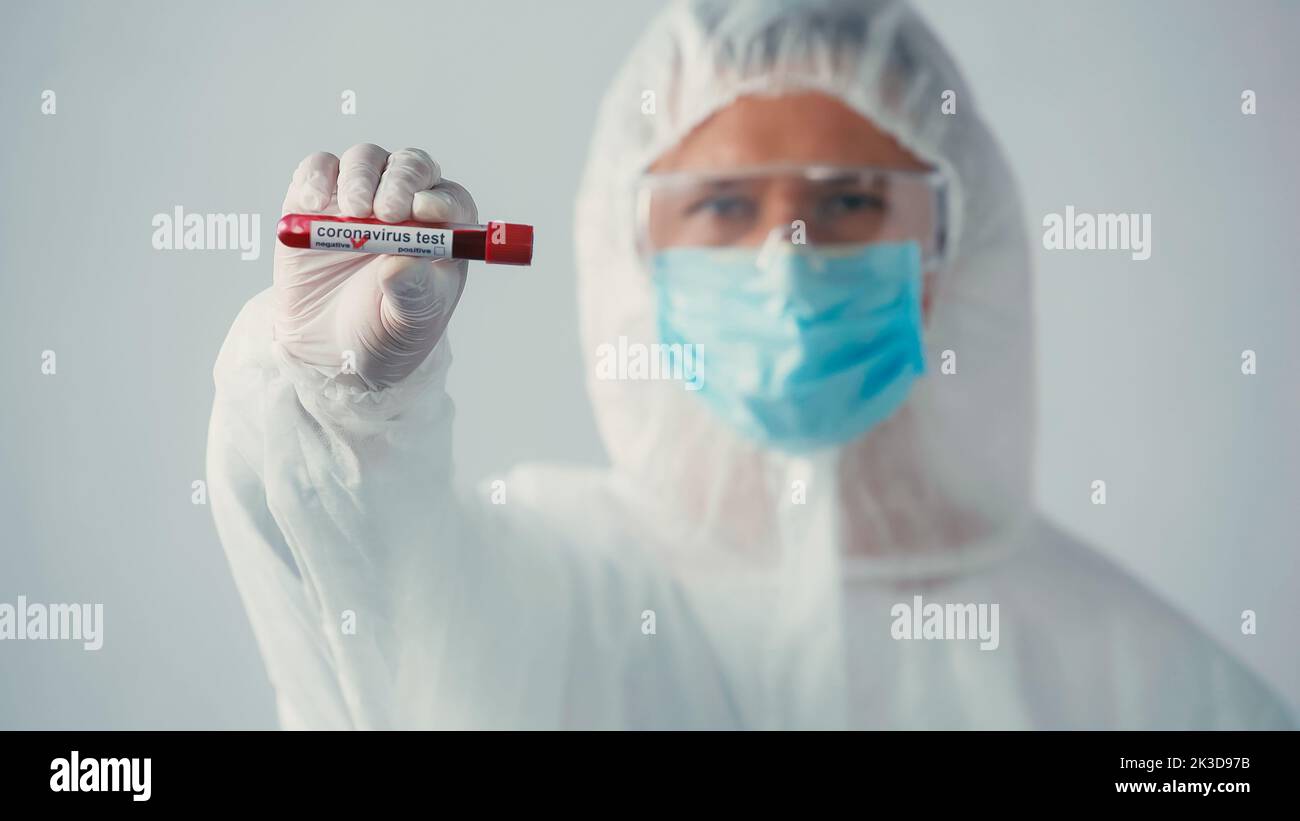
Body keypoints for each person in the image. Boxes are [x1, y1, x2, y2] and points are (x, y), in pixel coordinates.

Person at [206, 0, 1293, 729]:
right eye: (725, 204)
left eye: (850, 201)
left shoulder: (1147, 687)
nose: (790, 257)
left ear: (952, 250)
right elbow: (371, 647)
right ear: (631, 250)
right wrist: (339, 406)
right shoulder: (552, 584)